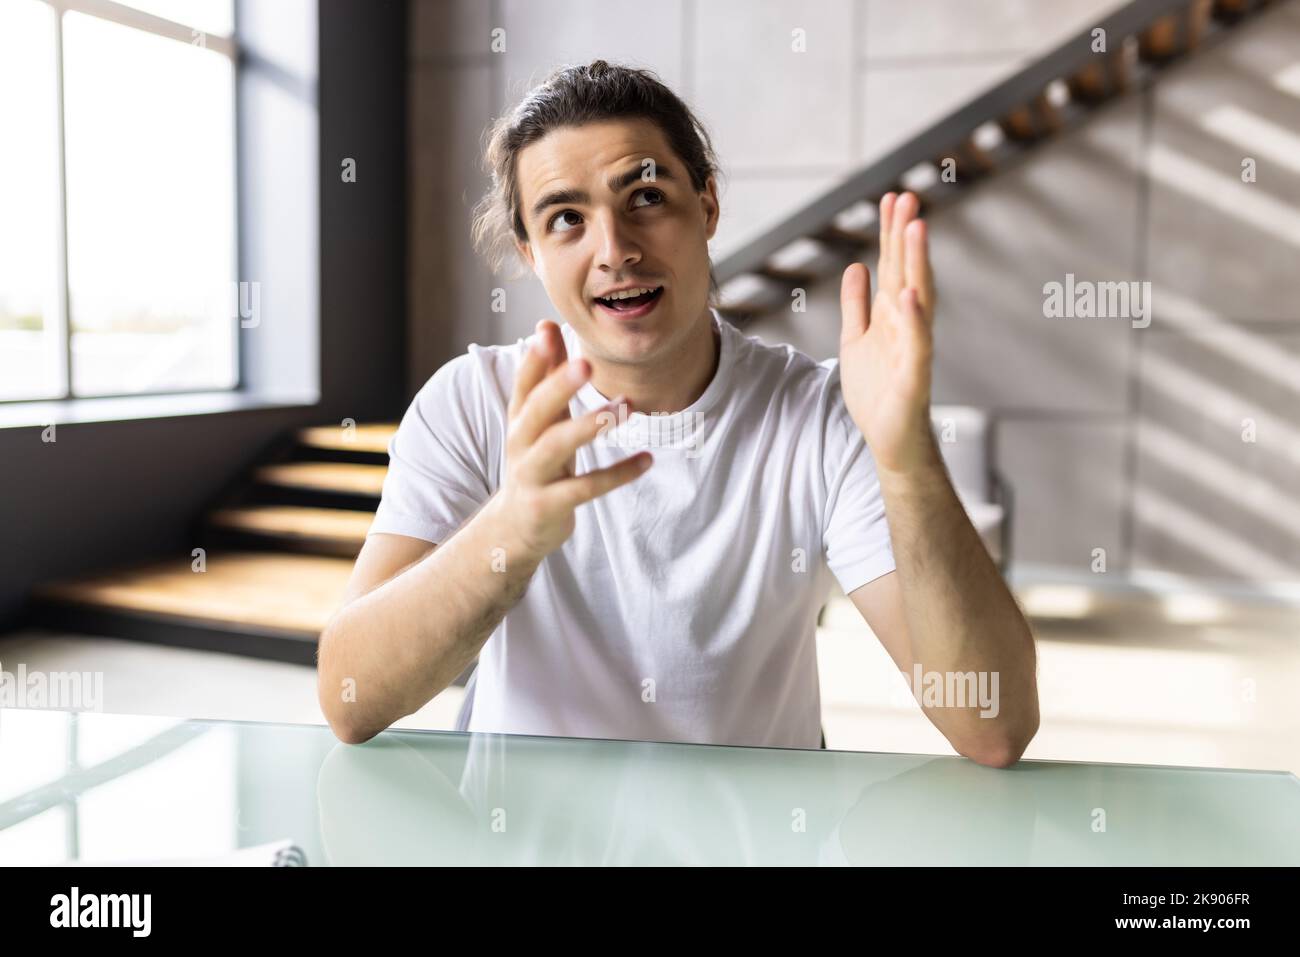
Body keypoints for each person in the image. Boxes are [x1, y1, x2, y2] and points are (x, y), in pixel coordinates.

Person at [317, 60, 1039, 765]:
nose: (616, 250)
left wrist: (905, 456)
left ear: (709, 205)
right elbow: (350, 700)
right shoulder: (471, 402)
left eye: (647, 197)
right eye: (567, 218)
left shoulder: (820, 413)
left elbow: (993, 727)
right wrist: (510, 531)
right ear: (530, 253)